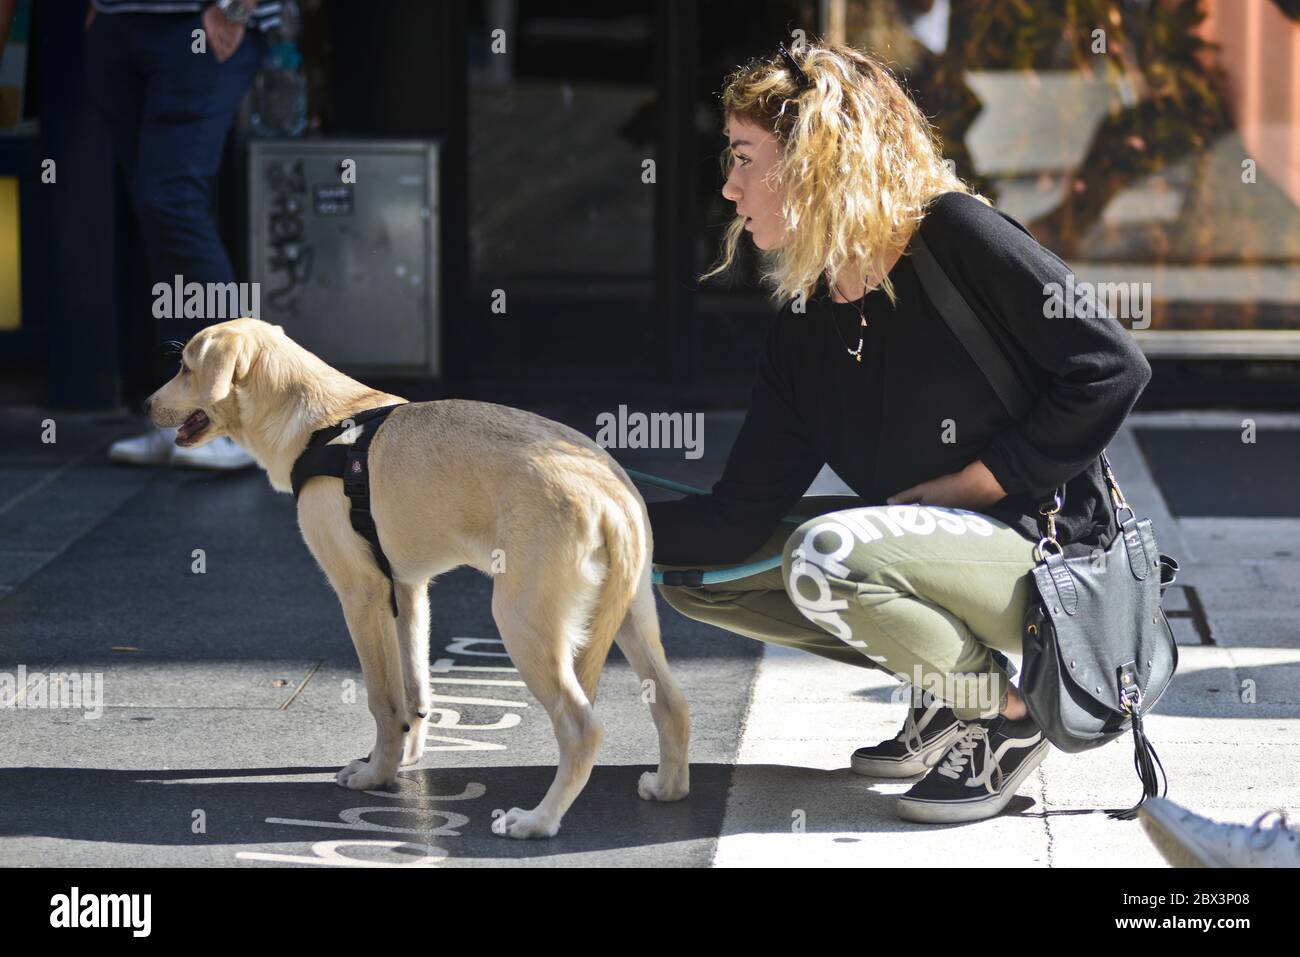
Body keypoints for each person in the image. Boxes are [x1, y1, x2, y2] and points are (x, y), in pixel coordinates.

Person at [649, 41, 1152, 824]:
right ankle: (949, 692)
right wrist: (585, 516)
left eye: (746, 157)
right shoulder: (807, 325)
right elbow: (736, 518)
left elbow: (1112, 364)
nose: (729, 184)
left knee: (829, 558)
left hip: (1044, 560)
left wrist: (982, 479)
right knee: (692, 577)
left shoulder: (951, 236)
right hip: (929, 557)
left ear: (816, 159)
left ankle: (1006, 717)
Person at [83, 0, 282, 469]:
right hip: (118, 24)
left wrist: (235, 8)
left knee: (169, 201)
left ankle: (231, 419)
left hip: (200, 22)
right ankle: (176, 419)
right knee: (156, 217)